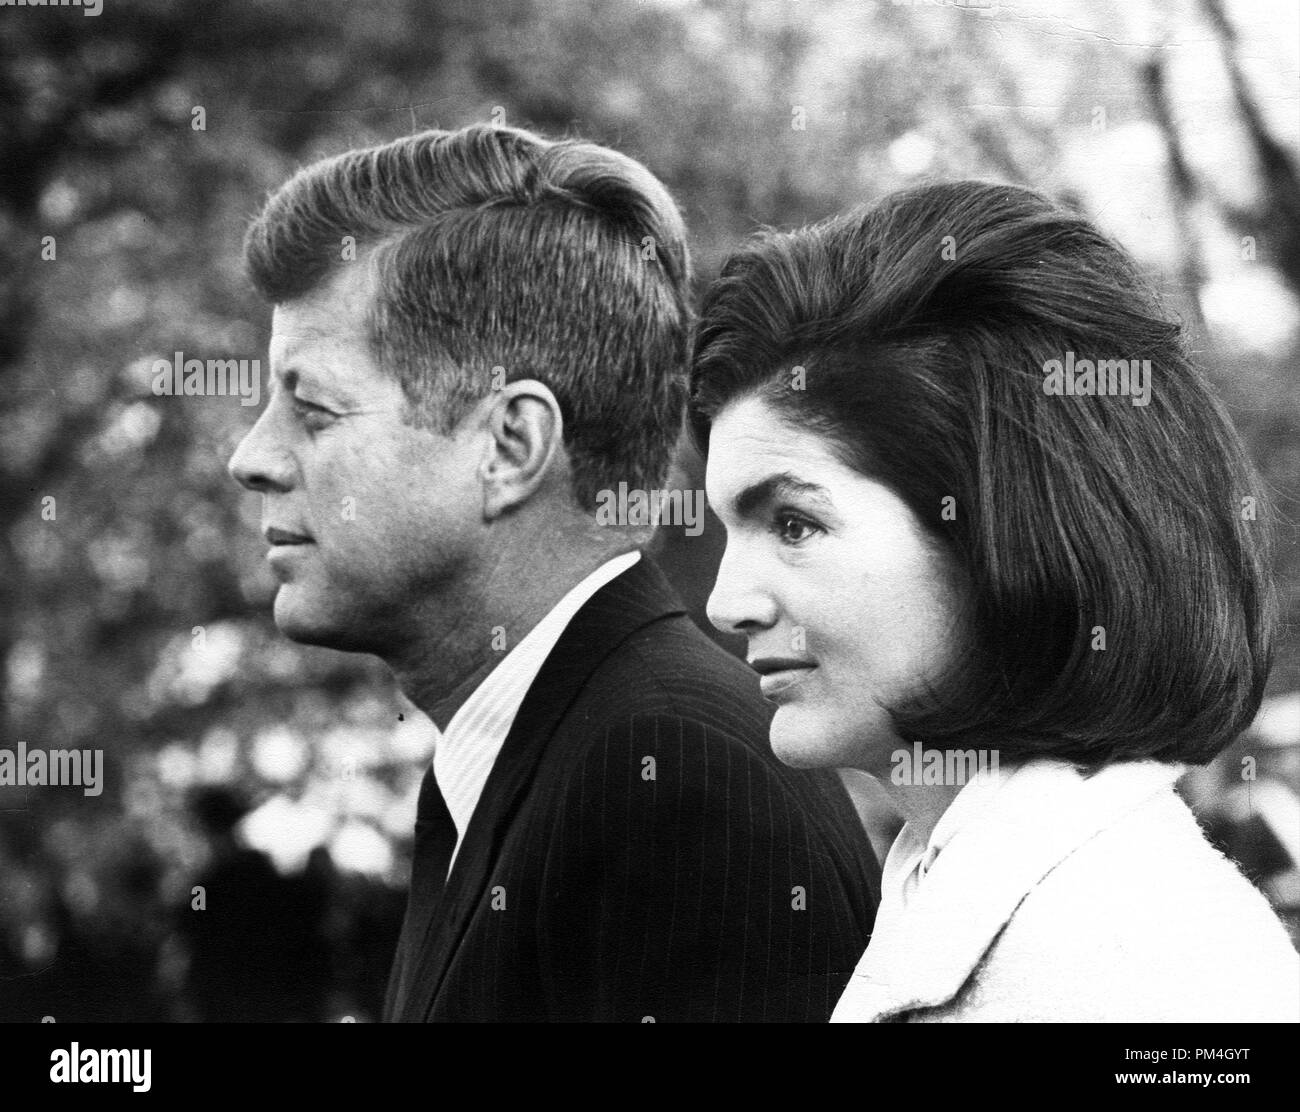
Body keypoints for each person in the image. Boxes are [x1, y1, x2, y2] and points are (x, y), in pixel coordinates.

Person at [228, 123, 879, 1022]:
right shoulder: (524, 759)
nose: (251, 457)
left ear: (510, 445)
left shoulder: (675, 781)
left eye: (314, 411)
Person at [690, 179, 1300, 1022]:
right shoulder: (970, 903)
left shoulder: (1140, 969)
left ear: (1006, 534)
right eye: (729, 530)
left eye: (793, 523)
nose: (728, 603)